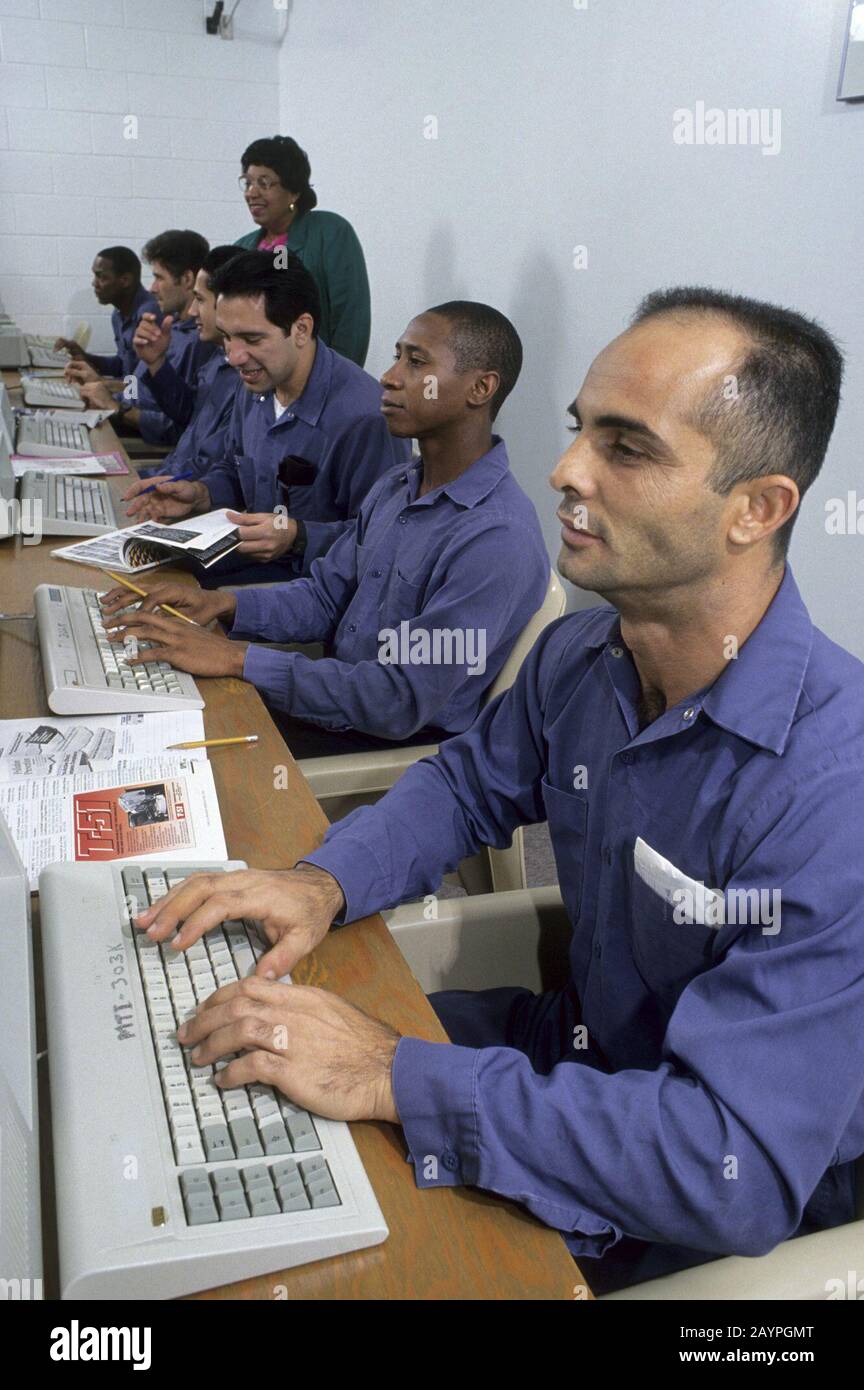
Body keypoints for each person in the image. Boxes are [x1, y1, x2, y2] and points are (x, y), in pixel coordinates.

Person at [129, 287, 864, 1296]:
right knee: (231, 1043)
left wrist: (393, 1073)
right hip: (571, 1053)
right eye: (577, 432)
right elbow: (470, 785)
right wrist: (321, 880)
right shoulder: (585, 656)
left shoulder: (835, 786)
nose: (565, 470)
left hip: (693, 1181)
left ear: (759, 508)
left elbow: (726, 1161)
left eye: (627, 447)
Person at [100, 302, 549, 757]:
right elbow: (324, 595)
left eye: (416, 363)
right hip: (335, 697)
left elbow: (399, 698)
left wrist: (238, 658)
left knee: (171, 746)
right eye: (397, 357)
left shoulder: (496, 537)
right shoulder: (398, 485)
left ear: (480, 388)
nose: (390, 376)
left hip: (389, 739)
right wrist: (222, 603)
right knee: (150, 708)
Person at [119, 251, 409, 584]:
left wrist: (299, 535)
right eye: (227, 337)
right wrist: (200, 492)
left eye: (252, 339)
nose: (234, 356)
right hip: (256, 562)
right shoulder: (256, 383)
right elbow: (236, 468)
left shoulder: (365, 416)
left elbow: (381, 540)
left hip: (314, 588)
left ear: (301, 329)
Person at [234, 135, 371, 367]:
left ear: (294, 191)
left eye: (264, 183)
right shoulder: (241, 249)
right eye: (248, 183)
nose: (251, 193)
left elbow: (351, 320)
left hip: (319, 378)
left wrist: (337, 382)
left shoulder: (330, 232)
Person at [78, 230, 216, 446]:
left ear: (187, 279)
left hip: (142, 437)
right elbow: (137, 385)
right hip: (122, 416)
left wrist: (119, 409)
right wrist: (105, 388)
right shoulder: (172, 328)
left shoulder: (199, 341)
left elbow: (183, 426)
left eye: (159, 277)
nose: (152, 288)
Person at [136, 245, 244, 481]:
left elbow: (211, 465)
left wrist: (147, 483)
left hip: (181, 487)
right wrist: (157, 363)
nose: (193, 311)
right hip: (170, 472)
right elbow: (189, 415)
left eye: (200, 300)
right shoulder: (218, 357)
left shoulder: (247, 375)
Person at [55, 246, 157, 379]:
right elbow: (123, 366)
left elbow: (145, 389)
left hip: (135, 398)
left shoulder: (148, 315)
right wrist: (86, 358)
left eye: (101, 277)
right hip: (128, 395)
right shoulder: (118, 314)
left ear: (125, 280)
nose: (94, 283)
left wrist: (101, 384)